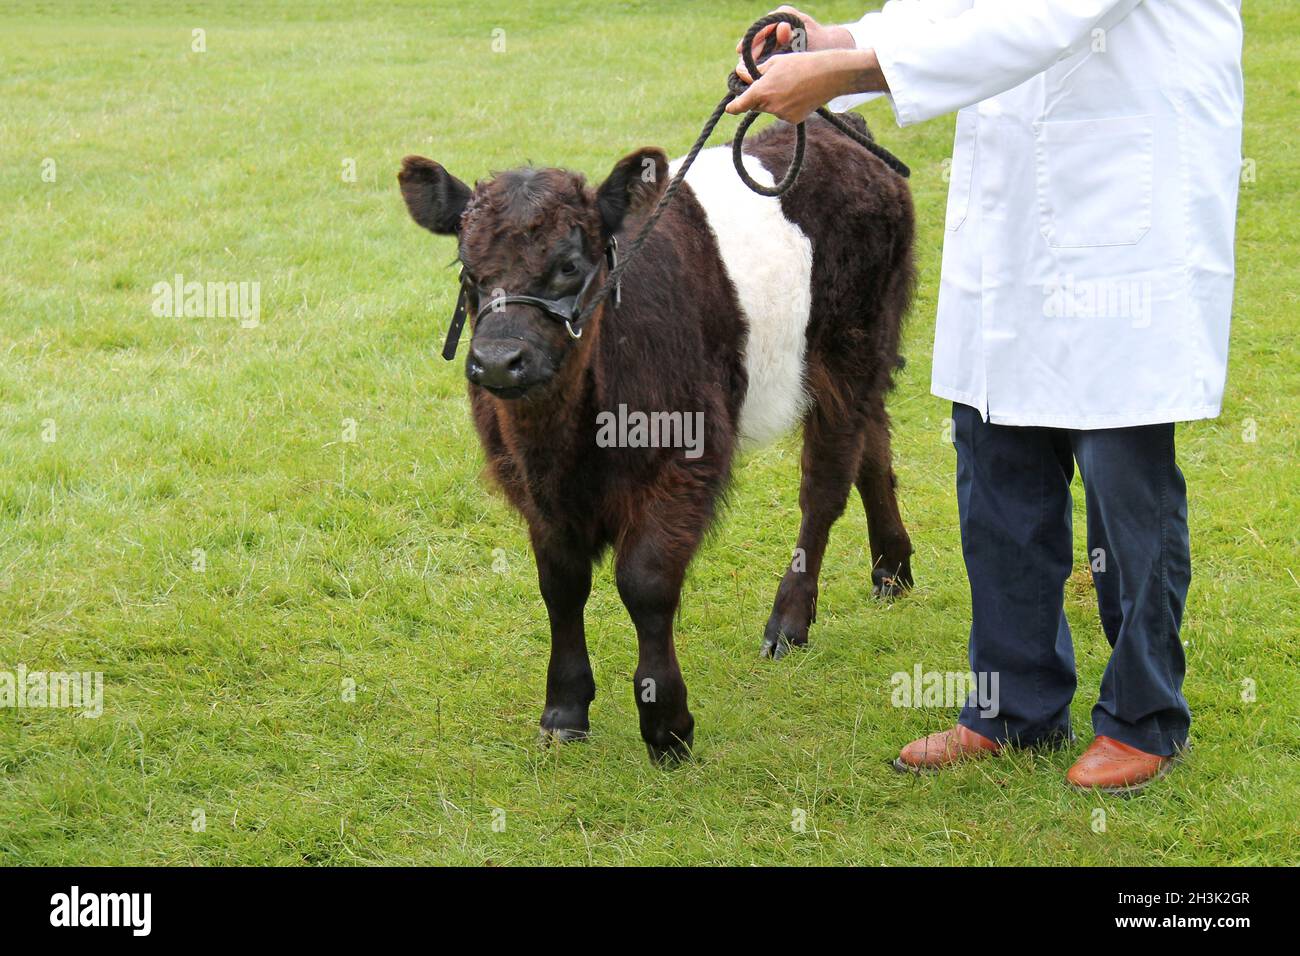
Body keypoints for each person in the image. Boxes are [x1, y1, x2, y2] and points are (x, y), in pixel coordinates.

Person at [728, 1, 1244, 794]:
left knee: (1123, 483)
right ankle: (1015, 707)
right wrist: (834, 42)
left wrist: (846, 72)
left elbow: (1040, 21)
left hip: (1124, 214)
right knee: (996, 462)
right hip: (1015, 221)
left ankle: (1146, 716)